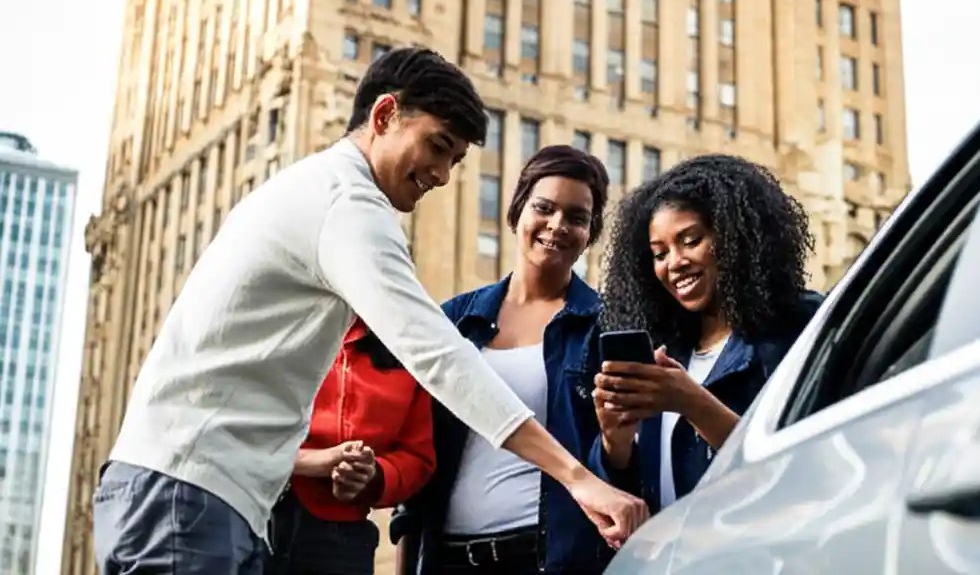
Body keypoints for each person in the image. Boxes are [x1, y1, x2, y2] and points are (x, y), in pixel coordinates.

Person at [92, 47, 646, 573]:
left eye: (454, 159)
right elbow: (437, 355)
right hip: (187, 495)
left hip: (193, 493)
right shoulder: (350, 204)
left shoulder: (312, 188)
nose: (442, 174)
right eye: (437, 145)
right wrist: (578, 478)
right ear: (385, 114)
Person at [393, 145, 617, 575]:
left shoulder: (603, 326)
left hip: (545, 558)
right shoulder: (455, 320)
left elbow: (618, 460)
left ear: (591, 232)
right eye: (545, 208)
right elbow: (419, 451)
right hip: (448, 558)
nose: (557, 226)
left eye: (576, 217)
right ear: (518, 210)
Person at [589, 154, 823, 512]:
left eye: (691, 240)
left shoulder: (797, 328)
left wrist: (693, 403)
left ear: (734, 237)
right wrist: (615, 445)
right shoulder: (665, 347)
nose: (674, 263)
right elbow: (632, 495)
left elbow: (799, 471)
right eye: (659, 253)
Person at [265, 318, 436, 574]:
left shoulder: (407, 344)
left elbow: (417, 456)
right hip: (253, 516)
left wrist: (372, 475)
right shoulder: (275, 322)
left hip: (340, 538)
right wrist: (311, 462)